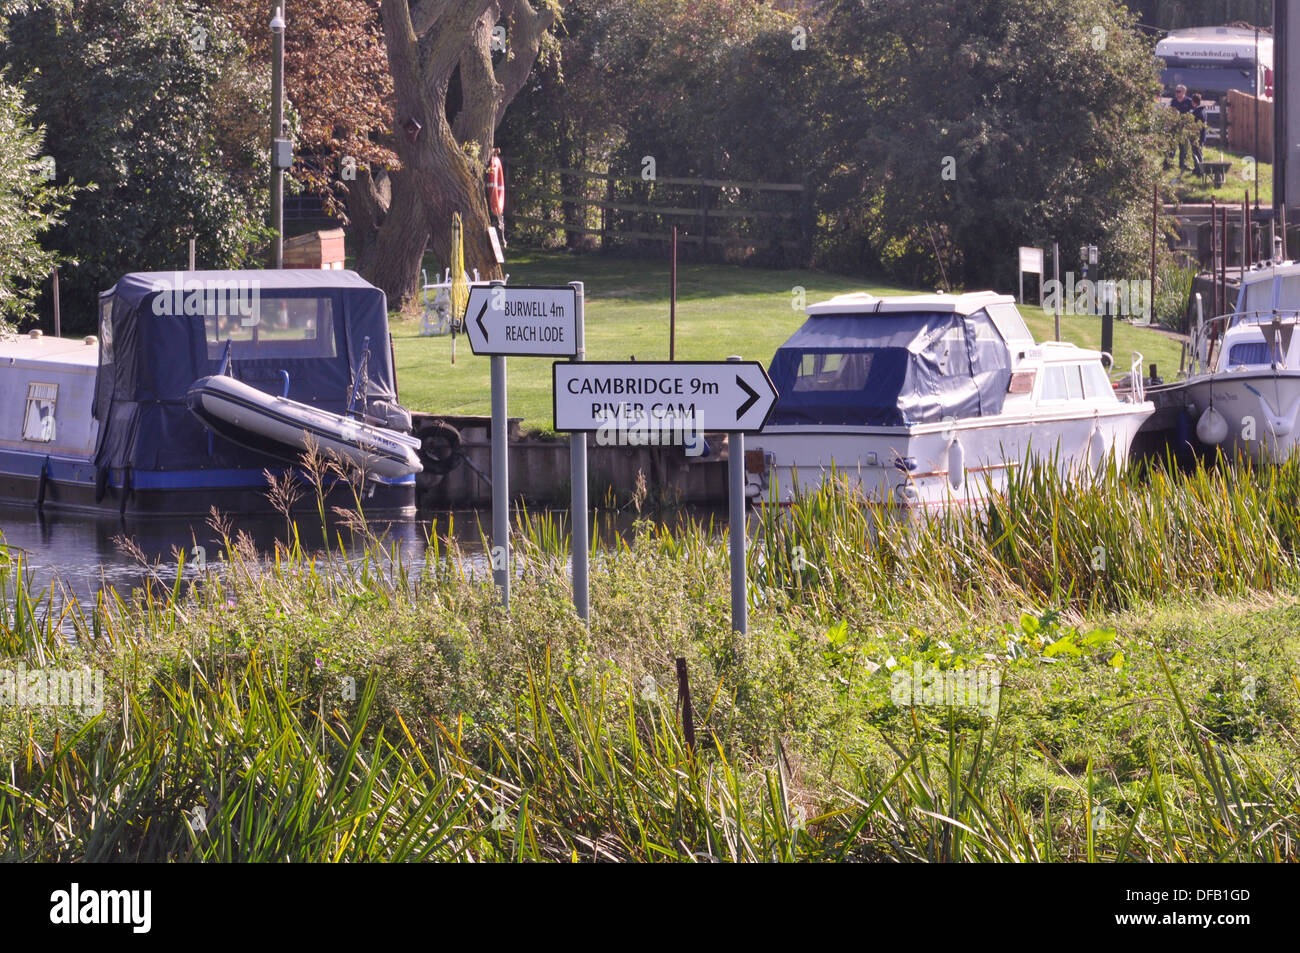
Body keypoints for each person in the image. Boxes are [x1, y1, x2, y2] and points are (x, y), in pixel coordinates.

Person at [1169, 84, 1195, 171]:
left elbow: (1194, 114)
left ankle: (1183, 165)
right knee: (1172, 146)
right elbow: (1170, 113)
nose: (1177, 93)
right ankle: (1169, 164)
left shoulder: (1189, 101)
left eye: (1179, 91)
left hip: (1185, 128)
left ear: (1184, 92)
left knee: (1183, 147)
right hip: (1175, 127)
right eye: (1176, 91)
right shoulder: (1173, 101)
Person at [1190, 93, 1207, 174]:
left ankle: (1199, 169)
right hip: (1202, 134)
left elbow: (1193, 124)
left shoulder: (1196, 112)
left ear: (1193, 102)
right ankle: (1198, 168)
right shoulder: (1203, 110)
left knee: (1196, 152)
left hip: (1197, 135)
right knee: (1198, 151)